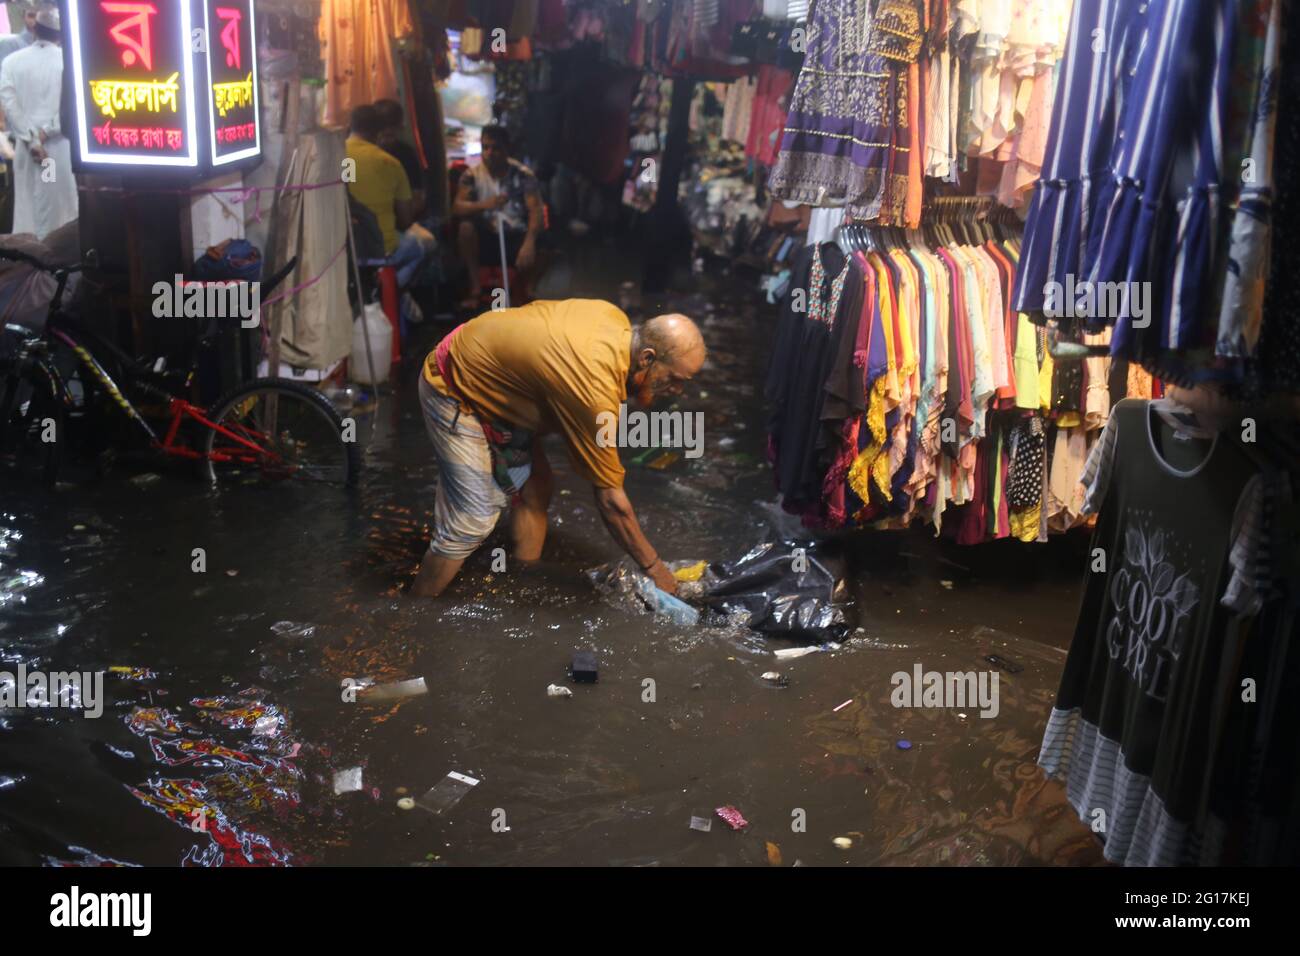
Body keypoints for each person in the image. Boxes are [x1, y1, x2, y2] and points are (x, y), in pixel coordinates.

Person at [411, 300, 706, 599]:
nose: (677, 391)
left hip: (499, 373)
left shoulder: (614, 319)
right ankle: (417, 608)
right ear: (646, 358)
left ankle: (522, 577)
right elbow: (611, 502)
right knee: (470, 522)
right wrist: (655, 569)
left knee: (537, 486)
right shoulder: (594, 391)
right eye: (674, 380)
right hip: (455, 385)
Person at [345, 104, 430, 321]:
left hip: (345, 247)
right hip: (382, 248)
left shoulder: (341, 156)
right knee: (420, 247)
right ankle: (393, 291)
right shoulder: (390, 163)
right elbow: (405, 220)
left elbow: (346, 187)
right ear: (377, 131)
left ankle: (387, 291)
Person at [0, 4, 76, 240]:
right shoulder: (68, 62)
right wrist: (46, 132)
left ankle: (28, 265)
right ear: (61, 35)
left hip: (28, 150)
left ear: (34, 30)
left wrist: (31, 138)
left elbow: (9, 103)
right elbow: (69, 106)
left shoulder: (12, 62)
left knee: (28, 207)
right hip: (54, 151)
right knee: (57, 208)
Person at [451, 124, 542, 309]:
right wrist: (486, 204)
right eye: (485, 147)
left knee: (545, 244)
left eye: (496, 148)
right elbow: (457, 207)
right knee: (465, 228)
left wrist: (529, 242)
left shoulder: (523, 175)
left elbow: (535, 209)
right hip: (486, 233)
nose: (489, 153)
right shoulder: (471, 176)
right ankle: (476, 288)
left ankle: (528, 289)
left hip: (516, 233)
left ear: (507, 149)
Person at [0, 1, 37, 69]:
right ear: (23, 17)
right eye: (31, 16)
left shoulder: (58, 46)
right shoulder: (9, 44)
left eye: (40, 16)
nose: (36, 20)